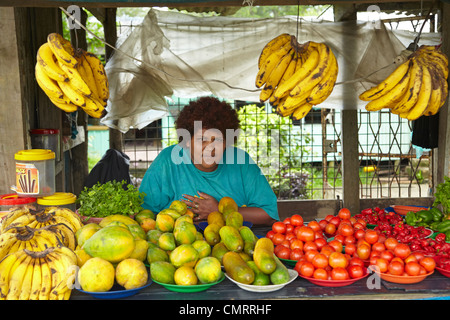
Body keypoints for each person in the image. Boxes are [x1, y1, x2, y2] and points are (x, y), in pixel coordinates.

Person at [139, 96, 278, 225]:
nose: (210, 148)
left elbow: (268, 214)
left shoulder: (241, 162)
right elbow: (144, 215)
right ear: (187, 141)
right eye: (202, 140)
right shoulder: (167, 162)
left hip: (232, 245)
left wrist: (219, 210)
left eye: (217, 140)